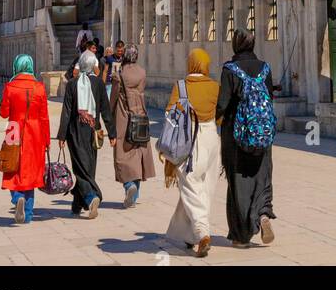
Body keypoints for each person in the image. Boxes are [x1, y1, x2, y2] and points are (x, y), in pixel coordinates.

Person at [217, 29, 277, 248]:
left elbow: (223, 104)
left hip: (237, 136)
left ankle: (241, 236)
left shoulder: (230, 69)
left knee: (239, 183)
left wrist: (213, 119)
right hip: (262, 134)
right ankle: (263, 214)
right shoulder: (265, 67)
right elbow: (269, 97)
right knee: (262, 177)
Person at [162, 48, 222, 258]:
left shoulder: (181, 86)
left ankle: (201, 232)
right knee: (204, 187)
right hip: (212, 139)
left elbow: (170, 113)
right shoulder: (215, 87)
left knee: (190, 185)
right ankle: (188, 235)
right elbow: (220, 115)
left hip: (189, 141)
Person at [58, 50, 115, 218]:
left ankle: (91, 197)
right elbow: (105, 110)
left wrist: (62, 136)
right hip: (93, 132)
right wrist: (112, 133)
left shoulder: (72, 84)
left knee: (80, 169)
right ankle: (77, 205)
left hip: (75, 132)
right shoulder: (98, 84)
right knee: (87, 167)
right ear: (93, 65)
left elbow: (67, 112)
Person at [0, 54, 51, 223]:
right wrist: (47, 140)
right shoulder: (40, 88)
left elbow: (5, 113)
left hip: (14, 128)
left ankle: (16, 196)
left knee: (12, 164)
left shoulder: (10, 87)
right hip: (35, 131)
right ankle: (27, 213)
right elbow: (44, 117)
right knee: (31, 170)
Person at [109, 45, 155, 208]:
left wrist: (108, 115)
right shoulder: (142, 72)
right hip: (140, 115)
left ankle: (129, 186)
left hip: (124, 117)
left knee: (123, 155)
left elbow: (113, 99)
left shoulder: (119, 75)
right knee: (137, 156)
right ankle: (134, 198)